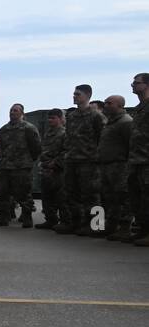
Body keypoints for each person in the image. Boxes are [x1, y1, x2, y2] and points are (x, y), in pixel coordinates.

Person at [56, 84, 107, 235]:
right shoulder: (71, 116)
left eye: (77, 94)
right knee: (72, 193)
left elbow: (102, 138)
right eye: (74, 94)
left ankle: (96, 226)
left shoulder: (96, 116)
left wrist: (97, 157)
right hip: (72, 160)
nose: (74, 96)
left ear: (87, 96)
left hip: (89, 161)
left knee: (92, 195)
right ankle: (76, 223)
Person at [0, 103, 42, 228]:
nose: (12, 112)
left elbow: (36, 147)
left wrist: (28, 161)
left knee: (24, 192)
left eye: (15, 110)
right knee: (3, 192)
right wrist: (1, 157)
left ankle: (27, 216)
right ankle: (3, 216)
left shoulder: (29, 128)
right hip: (5, 166)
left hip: (22, 166)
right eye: (11, 110)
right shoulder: (4, 129)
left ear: (22, 113)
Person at [98, 95, 133, 240]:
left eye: (109, 103)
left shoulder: (126, 122)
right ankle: (111, 226)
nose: (106, 105)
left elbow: (130, 144)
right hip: (107, 165)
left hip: (119, 165)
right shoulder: (110, 122)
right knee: (109, 197)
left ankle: (124, 228)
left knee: (122, 197)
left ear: (119, 105)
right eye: (105, 103)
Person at [36, 109, 68, 230]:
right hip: (46, 169)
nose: (50, 120)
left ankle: (65, 221)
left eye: (53, 118)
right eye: (49, 118)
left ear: (60, 119)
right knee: (47, 196)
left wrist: (54, 164)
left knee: (61, 197)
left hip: (57, 170)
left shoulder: (64, 133)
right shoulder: (48, 134)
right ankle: (51, 219)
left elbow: (65, 151)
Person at [127, 73, 149, 245]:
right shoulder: (139, 108)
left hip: (146, 161)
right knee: (138, 198)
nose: (132, 85)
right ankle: (142, 230)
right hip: (137, 161)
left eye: (136, 82)